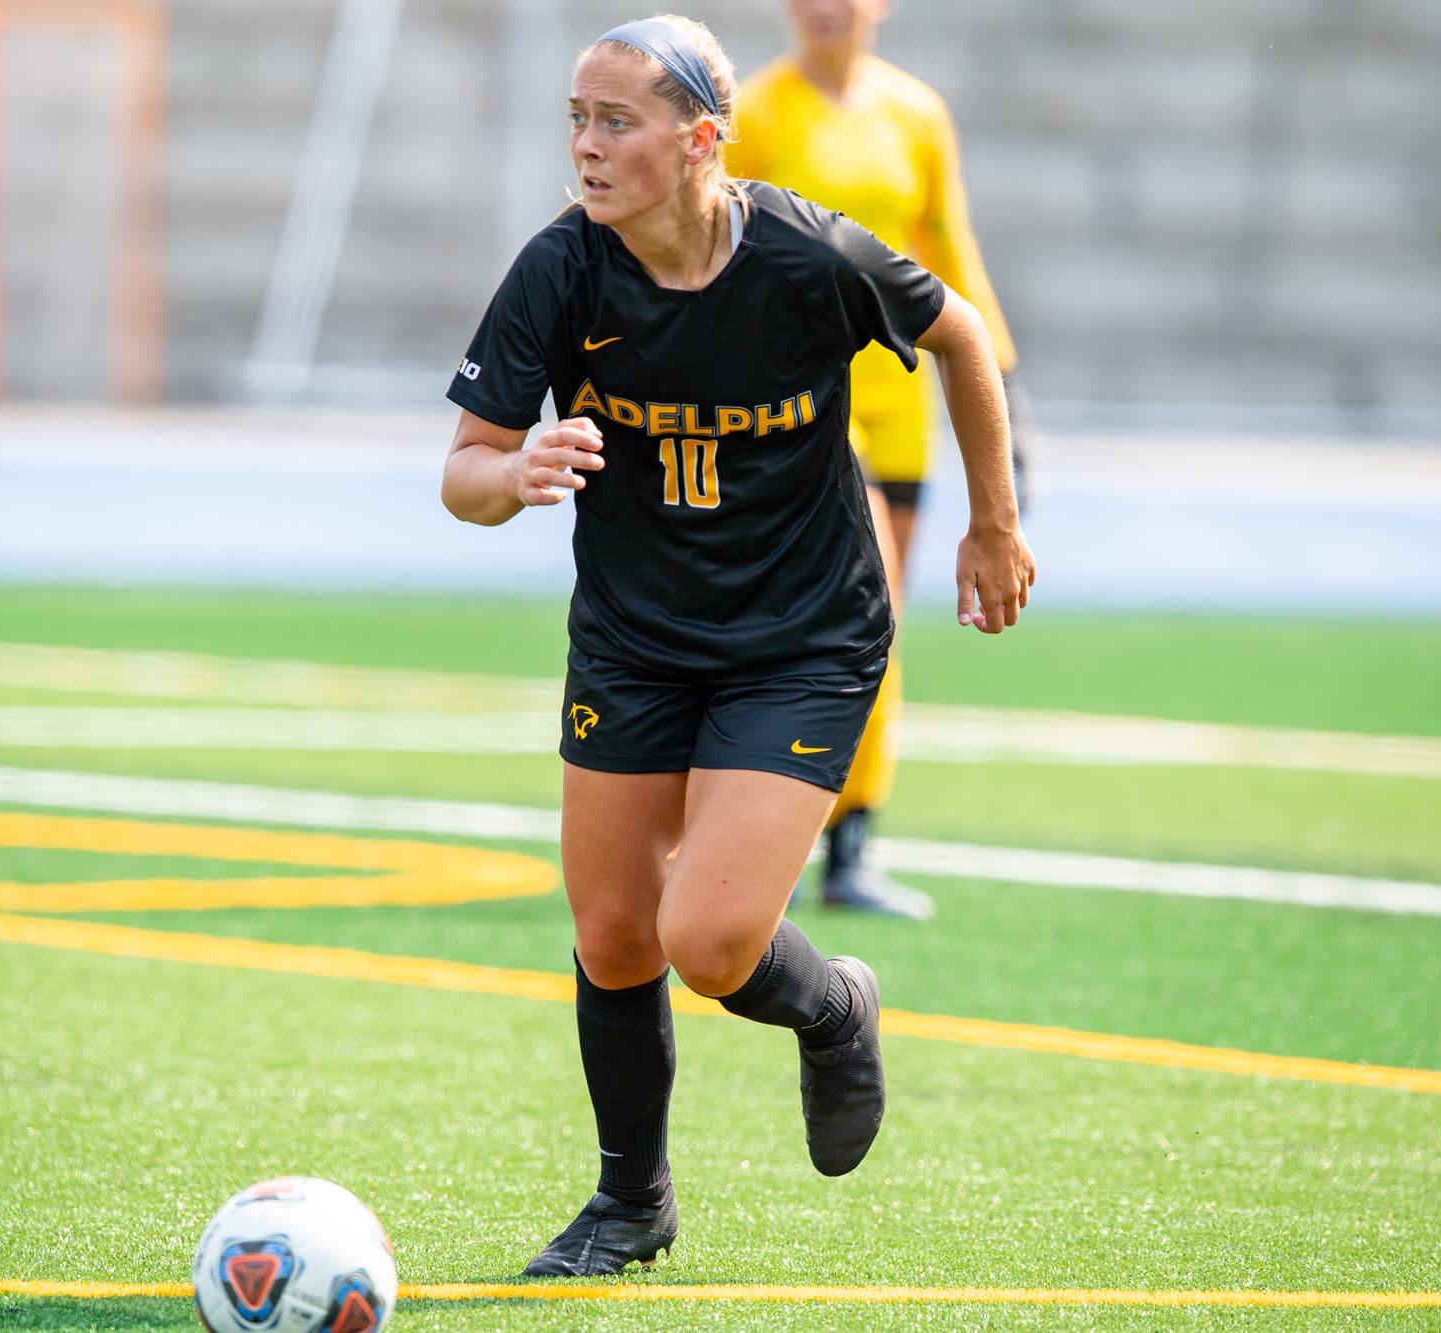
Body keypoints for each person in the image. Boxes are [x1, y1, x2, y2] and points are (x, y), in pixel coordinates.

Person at [441, 13, 1033, 1278]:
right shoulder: (561, 268)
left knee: (706, 939)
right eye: (576, 121)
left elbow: (961, 337)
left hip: (801, 637)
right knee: (610, 932)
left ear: (700, 140)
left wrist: (991, 524)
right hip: (632, 639)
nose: (586, 148)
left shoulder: (808, 255)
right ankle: (630, 1204)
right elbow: (460, 475)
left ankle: (834, 1006)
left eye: (616, 122)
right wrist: (513, 470)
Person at [728, 0, 1031, 920]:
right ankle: (753, 826)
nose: (827, 8)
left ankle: (849, 839)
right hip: (799, 407)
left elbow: (950, 252)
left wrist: (1004, 394)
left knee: (879, 624)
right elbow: (714, 248)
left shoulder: (916, 113)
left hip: (899, 408)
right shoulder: (757, 113)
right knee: (817, 610)